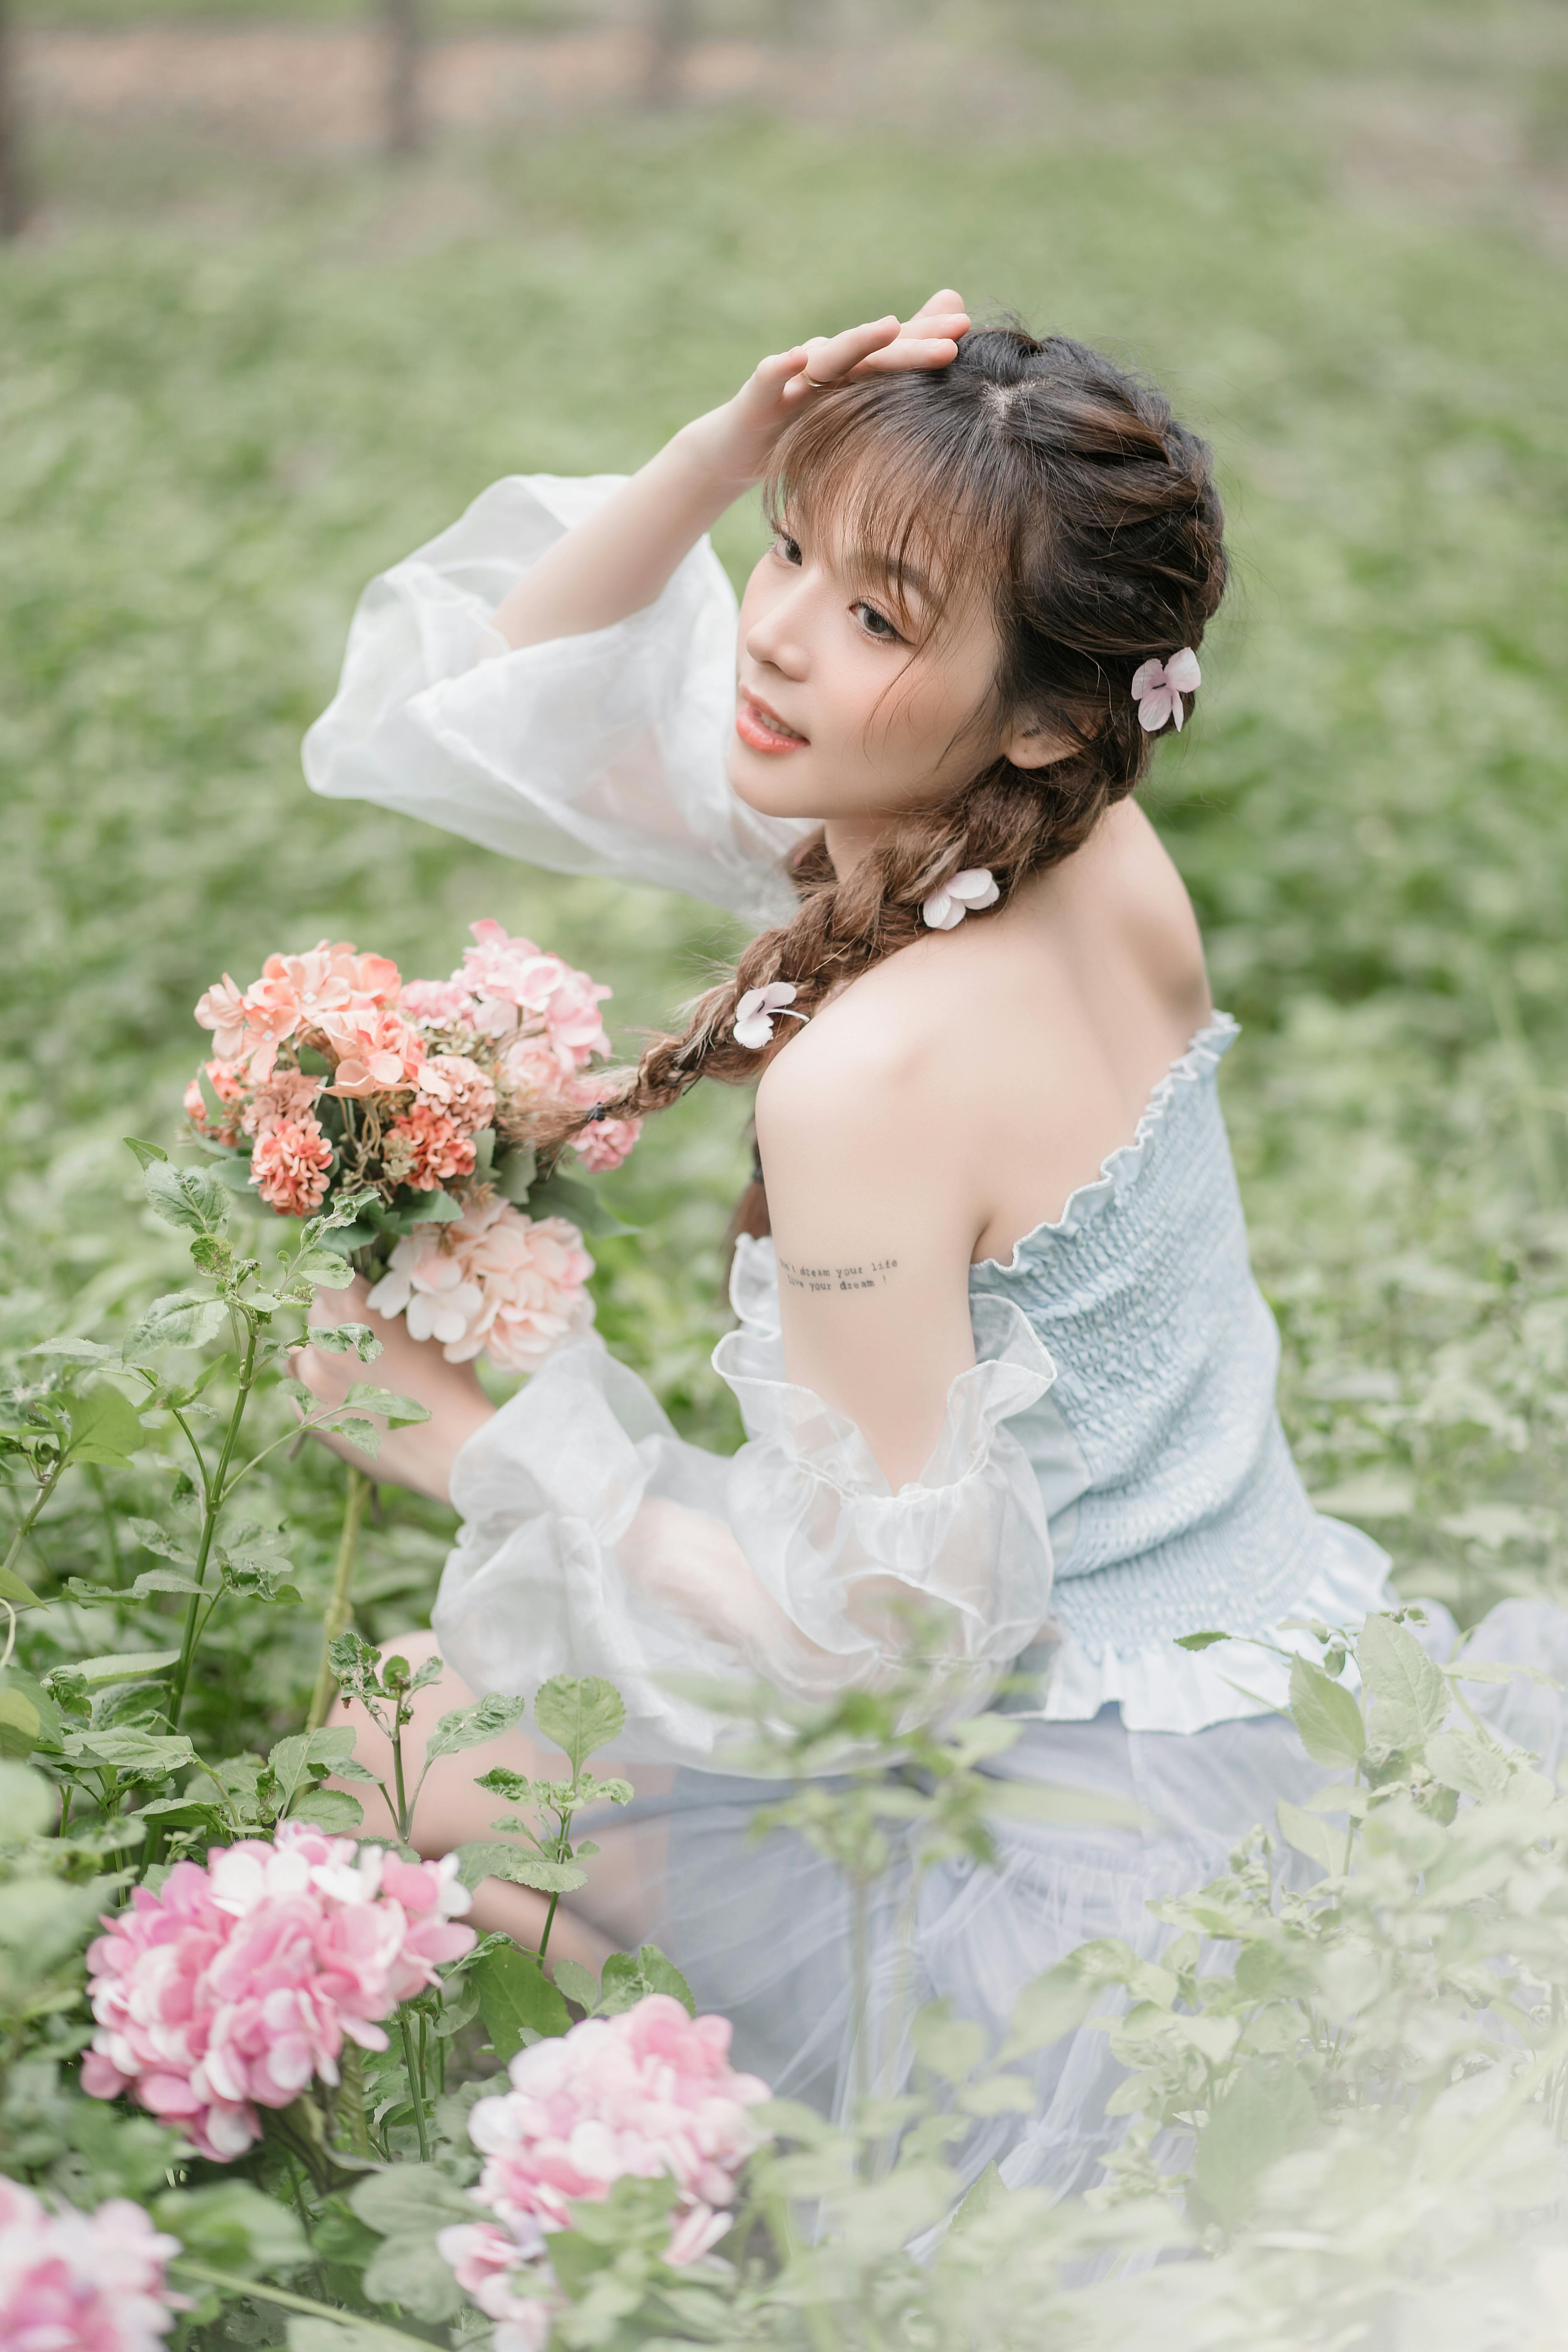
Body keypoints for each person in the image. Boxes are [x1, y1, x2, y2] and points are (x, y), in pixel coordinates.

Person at [293, 296, 1554, 2197]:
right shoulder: (1076, 846)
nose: (781, 633)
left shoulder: (872, 1076)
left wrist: (472, 1439)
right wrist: (729, 452)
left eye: (878, 614)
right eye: (785, 555)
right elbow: (481, 706)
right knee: (427, 1702)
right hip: (1285, 1676)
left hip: (1077, 1798)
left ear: (1050, 706)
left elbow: (885, 1643)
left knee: (383, 1746)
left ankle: (713, 2186)